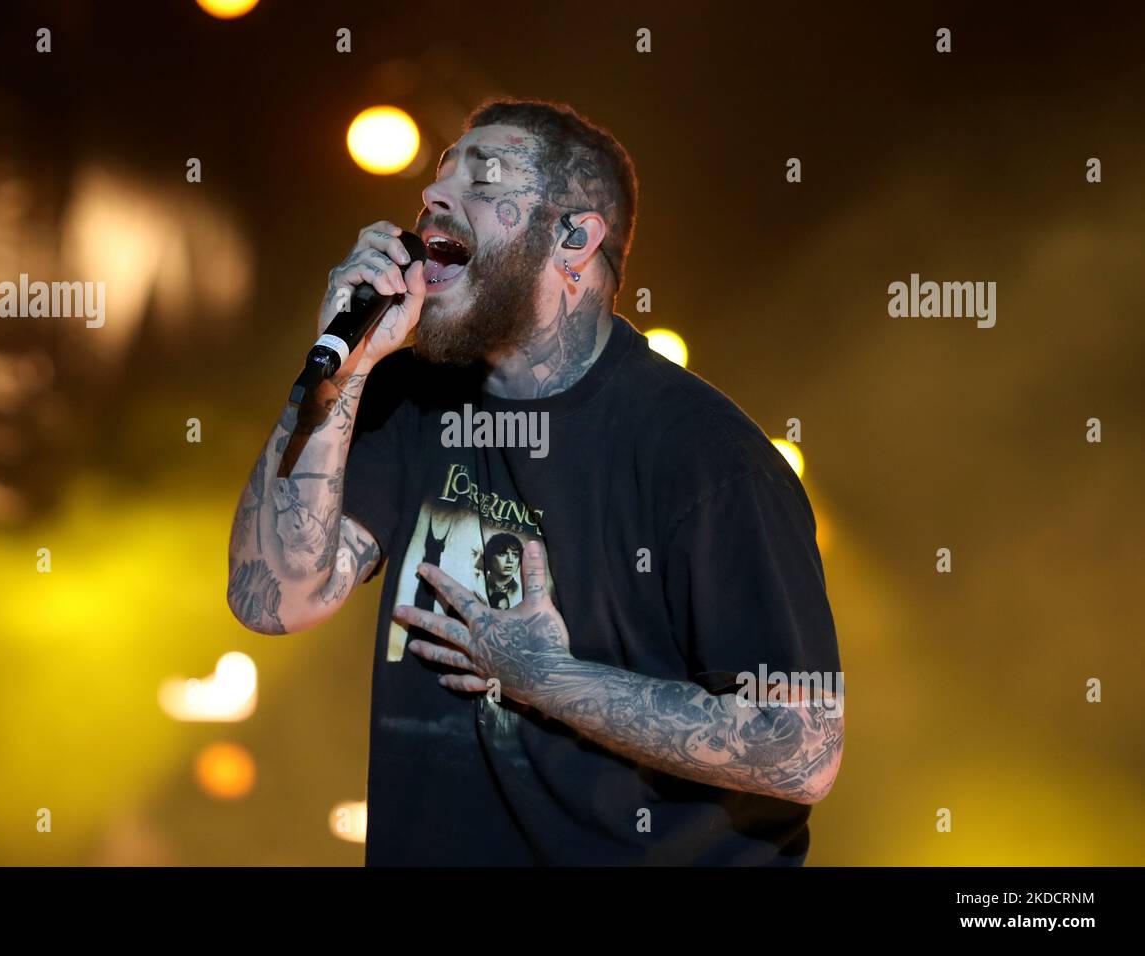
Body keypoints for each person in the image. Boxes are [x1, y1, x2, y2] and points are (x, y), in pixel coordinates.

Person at [227, 98, 844, 865]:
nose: (434, 195)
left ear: (574, 238)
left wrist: (548, 680)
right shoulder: (409, 400)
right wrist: (342, 372)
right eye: (440, 175)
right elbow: (272, 598)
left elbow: (803, 750)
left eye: (481, 180)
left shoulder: (706, 457)